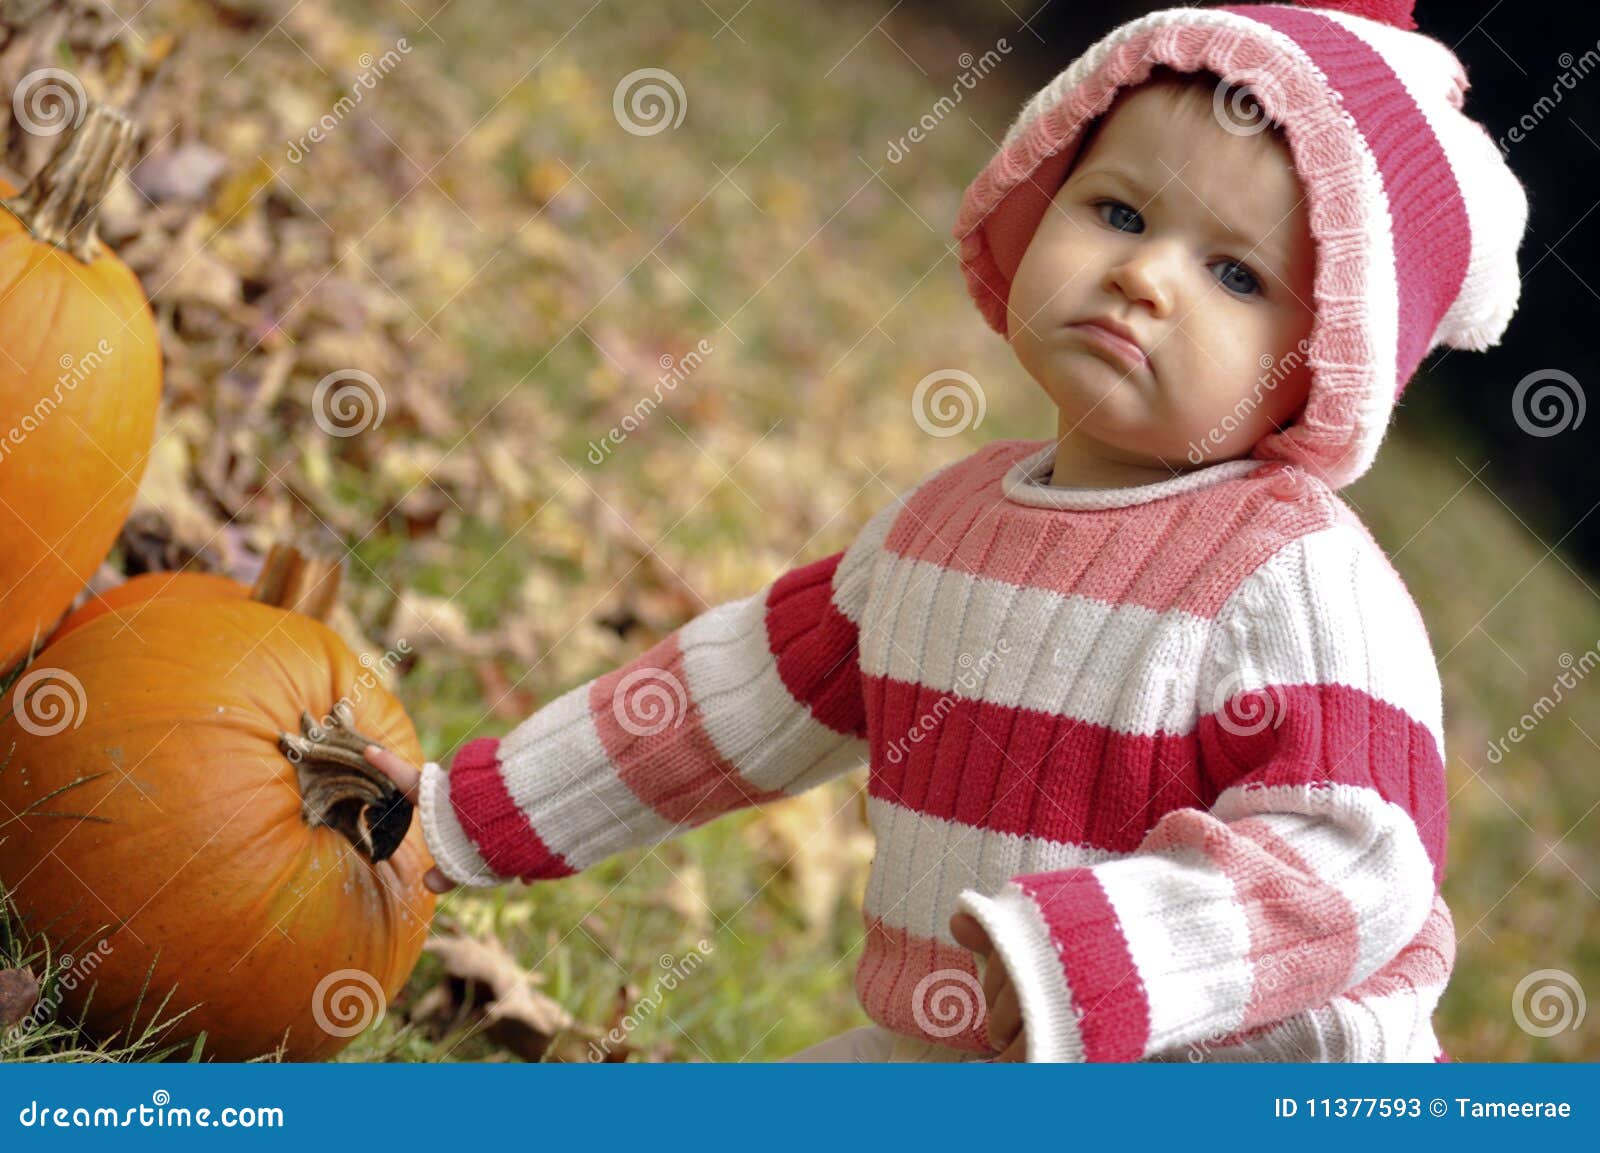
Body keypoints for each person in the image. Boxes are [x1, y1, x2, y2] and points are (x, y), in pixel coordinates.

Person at [368, 0, 1528, 1062]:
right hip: (970, 1048)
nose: (1144, 277)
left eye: (1234, 273)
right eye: (1119, 212)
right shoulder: (939, 534)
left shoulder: (1293, 576)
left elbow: (1359, 856)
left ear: (1324, 367)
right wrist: (456, 819)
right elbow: (724, 704)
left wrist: (1110, 957)